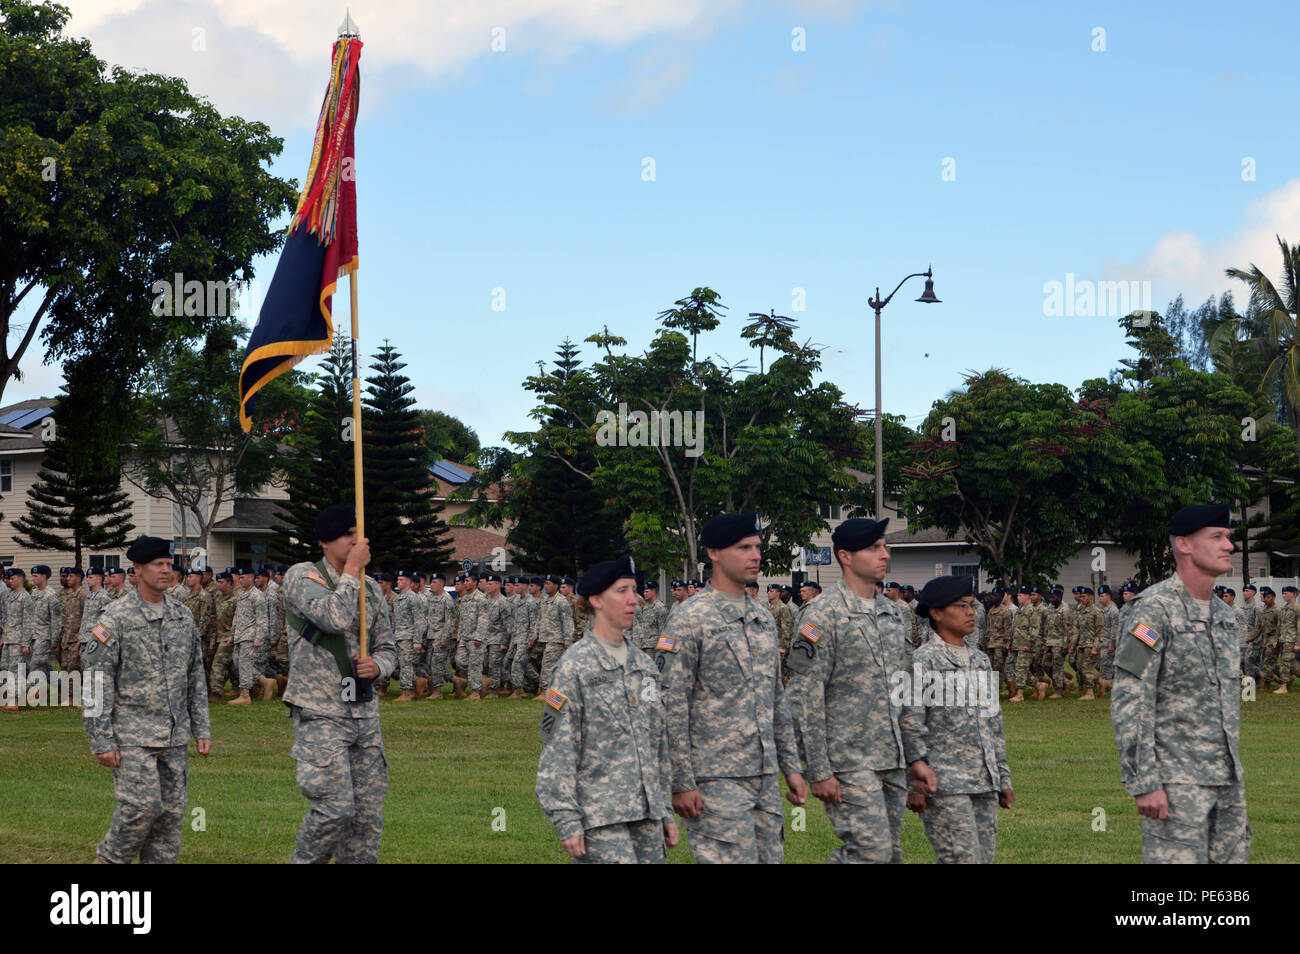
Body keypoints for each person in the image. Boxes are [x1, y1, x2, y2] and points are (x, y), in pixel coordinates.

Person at [656, 512, 807, 863]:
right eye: (744, 548)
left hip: (764, 774)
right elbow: (671, 705)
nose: (755, 555)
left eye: (756, 547)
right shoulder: (690, 618)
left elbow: (776, 699)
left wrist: (792, 767)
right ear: (714, 553)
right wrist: (681, 780)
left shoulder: (762, 617)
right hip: (715, 775)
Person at [1111, 504, 1249, 864]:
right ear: (1185, 544)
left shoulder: (1224, 616)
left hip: (1227, 780)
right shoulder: (1153, 611)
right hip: (1176, 783)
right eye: (1217, 537)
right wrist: (1145, 781)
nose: (1228, 546)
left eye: (1228, 537)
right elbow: (1131, 697)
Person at [785, 517, 927, 863]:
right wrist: (817, 769)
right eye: (874, 548)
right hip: (847, 760)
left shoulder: (892, 614)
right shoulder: (822, 615)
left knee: (888, 853)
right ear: (846, 556)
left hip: (890, 758)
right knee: (871, 852)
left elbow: (904, 691)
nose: (885, 554)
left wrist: (916, 756)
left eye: (884, 546)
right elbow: (804, 696)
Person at [535, 555, 678, 863]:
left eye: (634, 590)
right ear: (596, 600)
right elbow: (557, 750)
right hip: (600, 816)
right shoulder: (574, 667)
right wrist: (566, 819)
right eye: (622, 591)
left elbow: (658, 744)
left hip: (647, 814)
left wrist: (664, 810)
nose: (633, 600)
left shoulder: (644, 666)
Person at [80, 537, 211, 863]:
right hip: (131, 735)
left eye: (169, 564)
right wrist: (101, 739)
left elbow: (195, 676)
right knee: (141, 808)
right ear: (137, 570)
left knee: (170, 816)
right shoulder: (116, 618)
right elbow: (96, 682)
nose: (167, 570)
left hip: (174, 735)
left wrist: (202, 728)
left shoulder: (182, 616)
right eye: (158, 565)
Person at [281, 504, 397, 864]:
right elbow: (334, 618)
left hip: (363, 715)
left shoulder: (372, 589)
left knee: (366, 820)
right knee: (335, 809)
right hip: (321, 712)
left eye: (358, 533)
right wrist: (351, 571)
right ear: (325, 542)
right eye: (347, 534)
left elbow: (389, 648)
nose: (356, 540)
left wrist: (377, 667)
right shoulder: (303, 577)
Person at [900, 575, 1013, 864]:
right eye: (961, 606)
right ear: (936, 613)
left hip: (983, 780)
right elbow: (905, 725)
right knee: (962, 860)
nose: (971, 612)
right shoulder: (918, 662)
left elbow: (993, 723)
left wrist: (1003, 777)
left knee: (981, 860)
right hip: (944, 783)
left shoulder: (980, 660)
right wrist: (913, 783)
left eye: (972, 605)